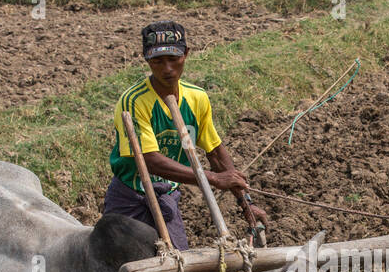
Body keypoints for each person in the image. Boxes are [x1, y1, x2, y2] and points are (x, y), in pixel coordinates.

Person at [104, 21, 268, 251]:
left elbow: (216, 152)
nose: (167, 69)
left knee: (178, 262)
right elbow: (150, 160)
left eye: (173, 59)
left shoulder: (197, 98)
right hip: (131, 197)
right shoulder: (134, 101)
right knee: (118, 266)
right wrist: (212, 179)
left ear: (186, 54)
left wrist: (245, 204)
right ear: (146, 59)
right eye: (158, 61)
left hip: (167, 196)